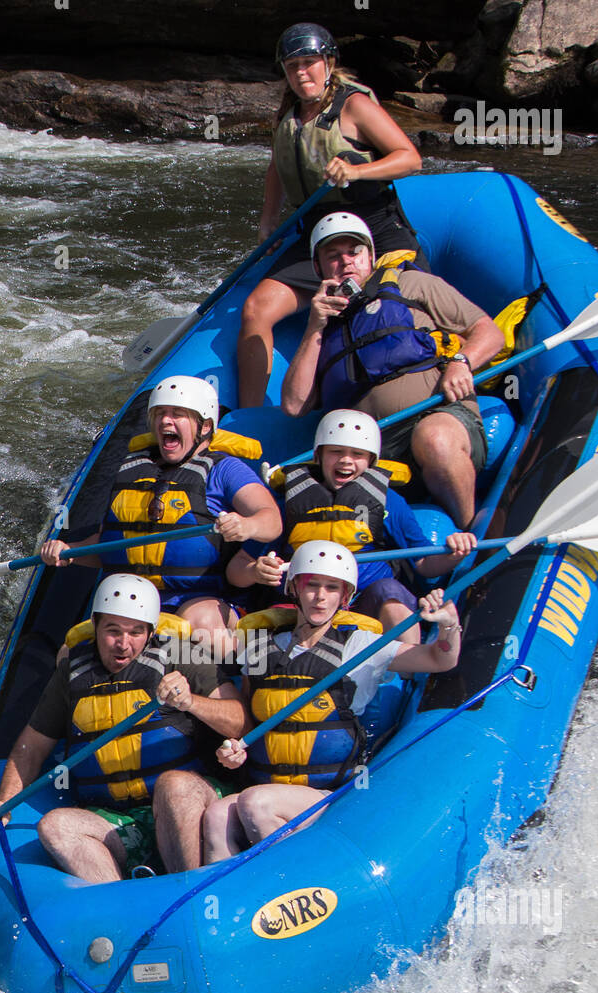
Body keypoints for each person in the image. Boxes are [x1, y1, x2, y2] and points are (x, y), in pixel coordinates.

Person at [0, 574, 250, 882]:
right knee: (55, 827)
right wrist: (3, 801)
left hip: (190, 802)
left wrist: (191, 702)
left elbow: (240, 721)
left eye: (135, 632)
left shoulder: (183, 657)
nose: (123, 643)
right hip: (120, 818)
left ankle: (192, 891)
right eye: (112, 631)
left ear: (150, 632)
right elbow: (31, 747)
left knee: (173, 786)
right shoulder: (71, 675)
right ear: (96, 626)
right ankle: (126, 908)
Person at [201, 541, 463, 861]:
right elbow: (248, 722)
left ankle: (298, 886)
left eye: (331, 588)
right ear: (294, 587)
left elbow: (439, 660)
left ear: (345, 596)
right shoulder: (259, 649)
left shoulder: (361, 647)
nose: (320, 596)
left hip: (331, 795)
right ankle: (220, 900)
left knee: (256, 803)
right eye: (312, 585)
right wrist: (235, 750)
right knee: (216, 815)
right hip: (267, 785)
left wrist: (448, 624)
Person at [237, 21, 424, 408]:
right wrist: (268, 220)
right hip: (318, 236)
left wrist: (356, 171)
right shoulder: (288, 112)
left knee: (391, 308)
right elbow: (278, 165)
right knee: (256, 308)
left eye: (309, 62)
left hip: (373, 230)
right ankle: (251, 416)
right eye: (293, 67)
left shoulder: (355, 106)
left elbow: (410, 159)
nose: (302, 73)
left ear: (329, 62)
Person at [281, 212, 506, 527]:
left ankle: (470, 533)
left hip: (436, 415)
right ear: (318, 268)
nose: (345, 261)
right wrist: (315, 326)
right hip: (366, 450)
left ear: (370, 256)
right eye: (333, 256)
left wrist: (461, 362)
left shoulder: (410, 283)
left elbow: (490, 332)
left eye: (354, 252)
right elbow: (294, 405)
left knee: (435, 438)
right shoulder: (322, 324)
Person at [40, 375, 281, 640]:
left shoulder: (224, 470)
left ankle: (221, 676)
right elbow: (111, 544)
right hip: (130, 604)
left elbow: (271, 521)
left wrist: (246, 525)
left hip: (198, 601)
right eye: (160, 414)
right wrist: (71, 552)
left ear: (205, 426)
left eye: (178, 414)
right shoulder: (130, 471)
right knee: (71, 648)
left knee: (199, 622)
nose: (166, 421)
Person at [226, 409, 477, 642]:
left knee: (392, 594)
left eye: (357, 454)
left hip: (365, 605)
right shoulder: (286, 504)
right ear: (318, 455)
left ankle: (405, 671)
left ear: (371, 461)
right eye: (336, 451)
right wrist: (255, 571)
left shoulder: (389, 502)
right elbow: (236, 571)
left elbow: (424, 564)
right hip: (303, 606)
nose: (346, 461)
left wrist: (455, 553)